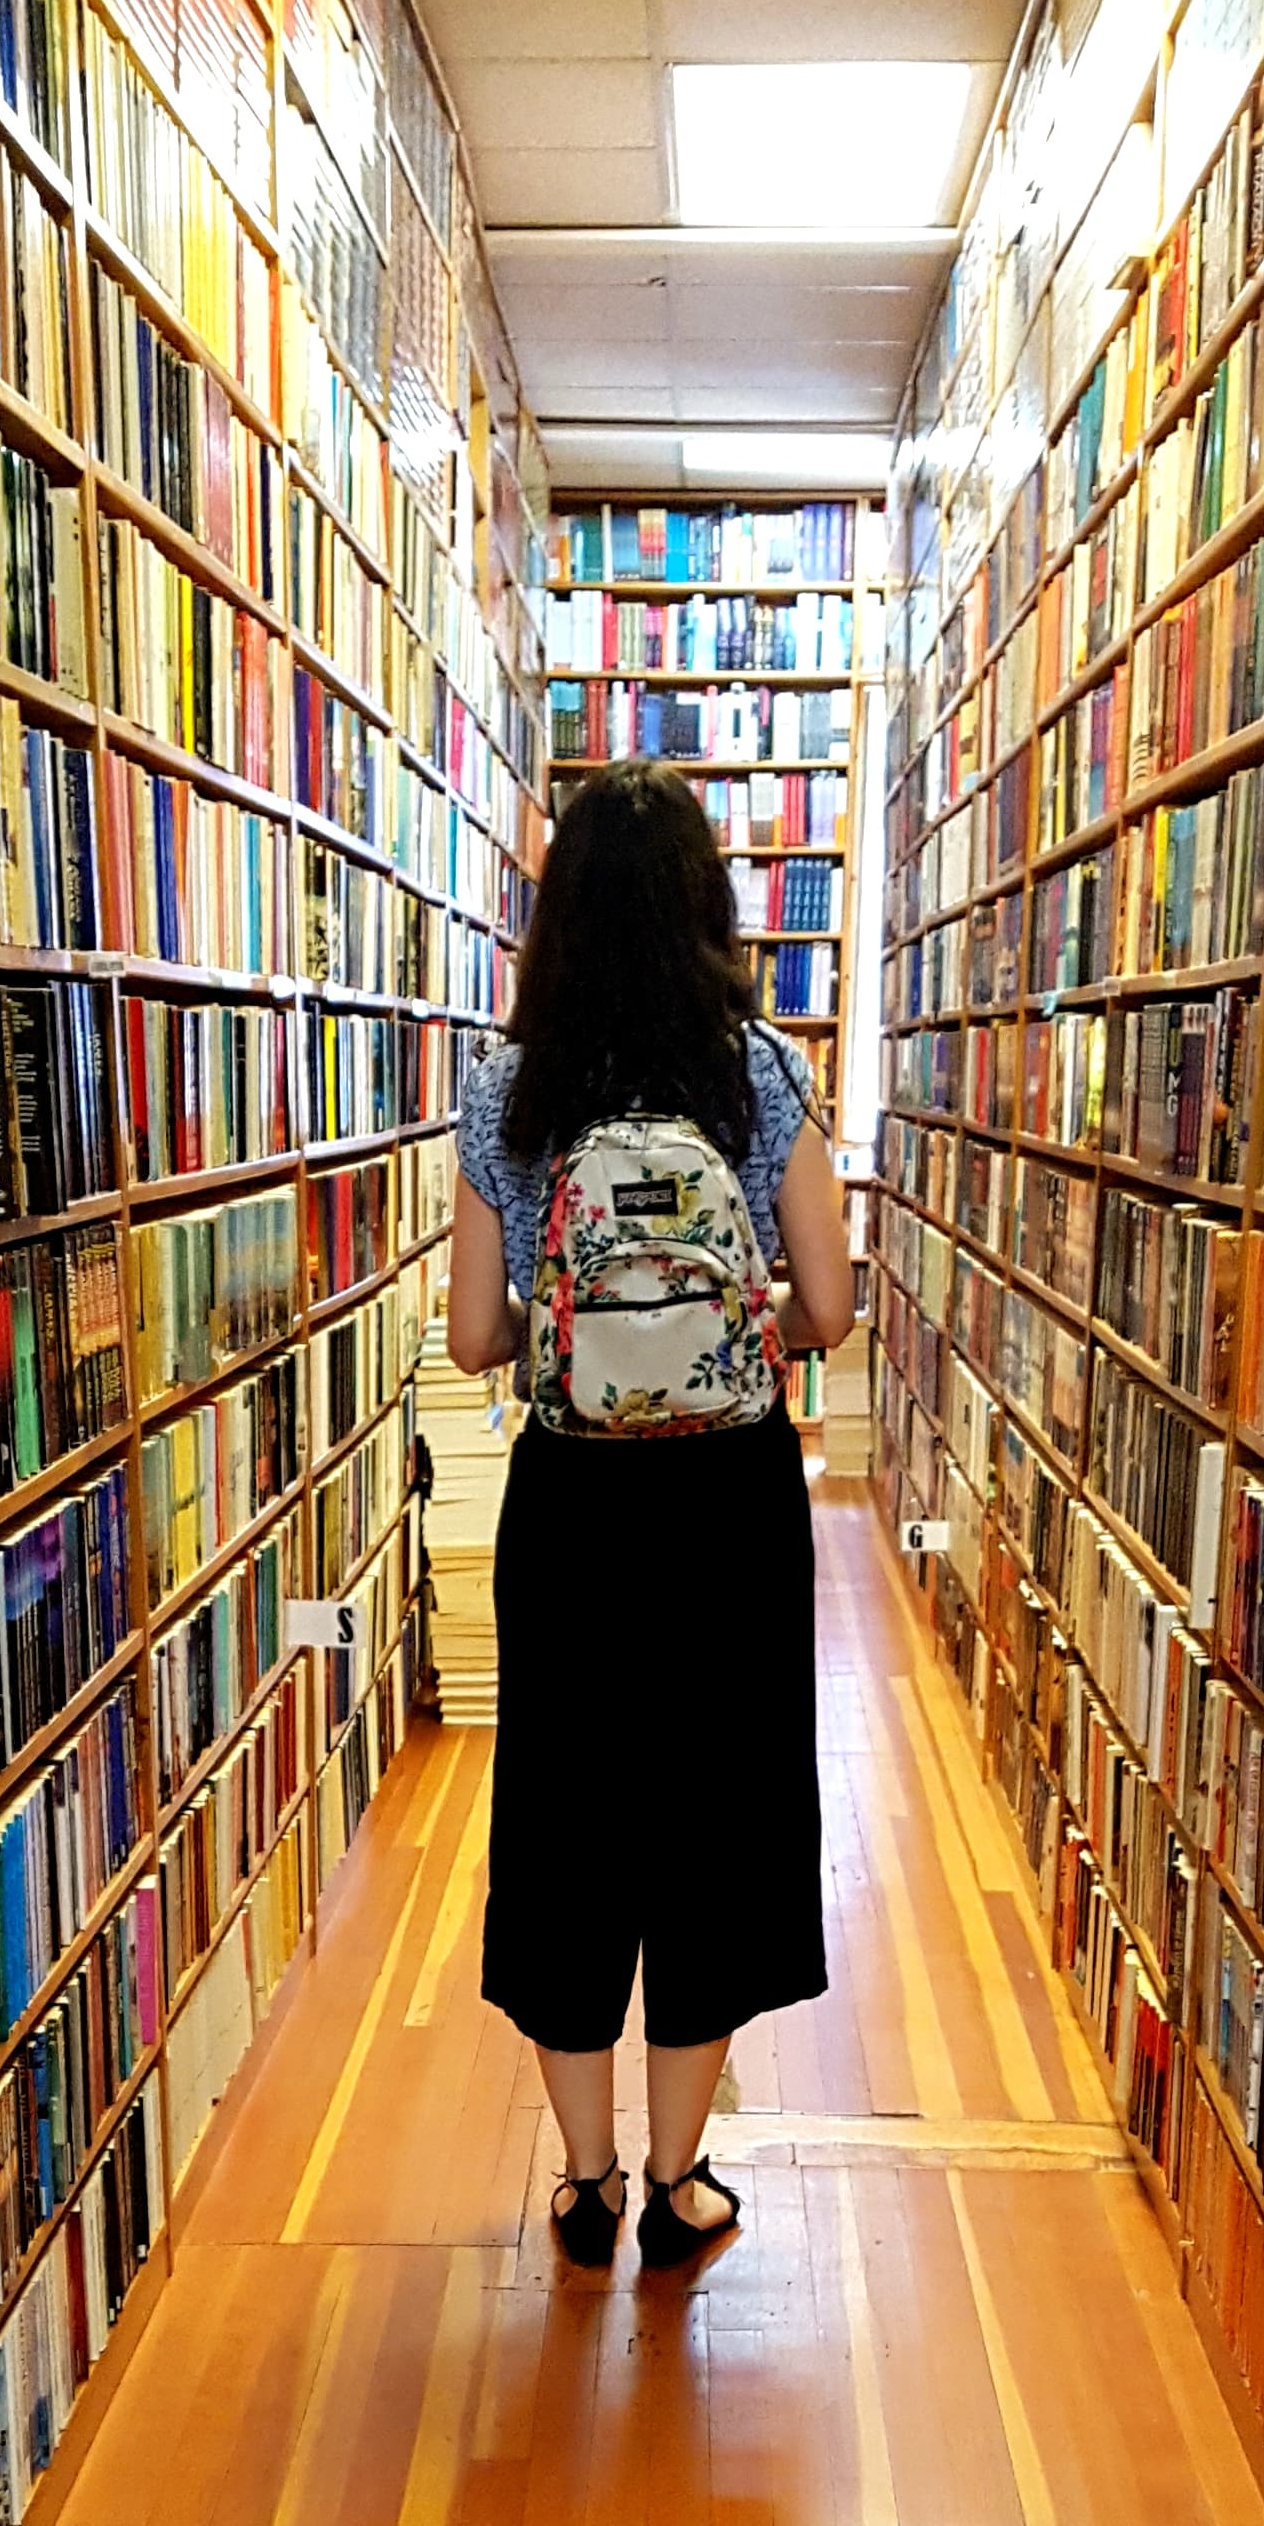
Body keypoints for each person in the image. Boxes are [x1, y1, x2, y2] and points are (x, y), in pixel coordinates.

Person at [447, 758, 857, 2269]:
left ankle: (584, 2180)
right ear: (707, 906)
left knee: (566, 1817)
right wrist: (735, 1321)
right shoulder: (762, 1076)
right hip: (727, 1510)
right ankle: (683, 2183)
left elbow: (476, 1340)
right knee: (716, 1818)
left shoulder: (510, 1086)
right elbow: (829, 1304)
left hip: (573, 1510)